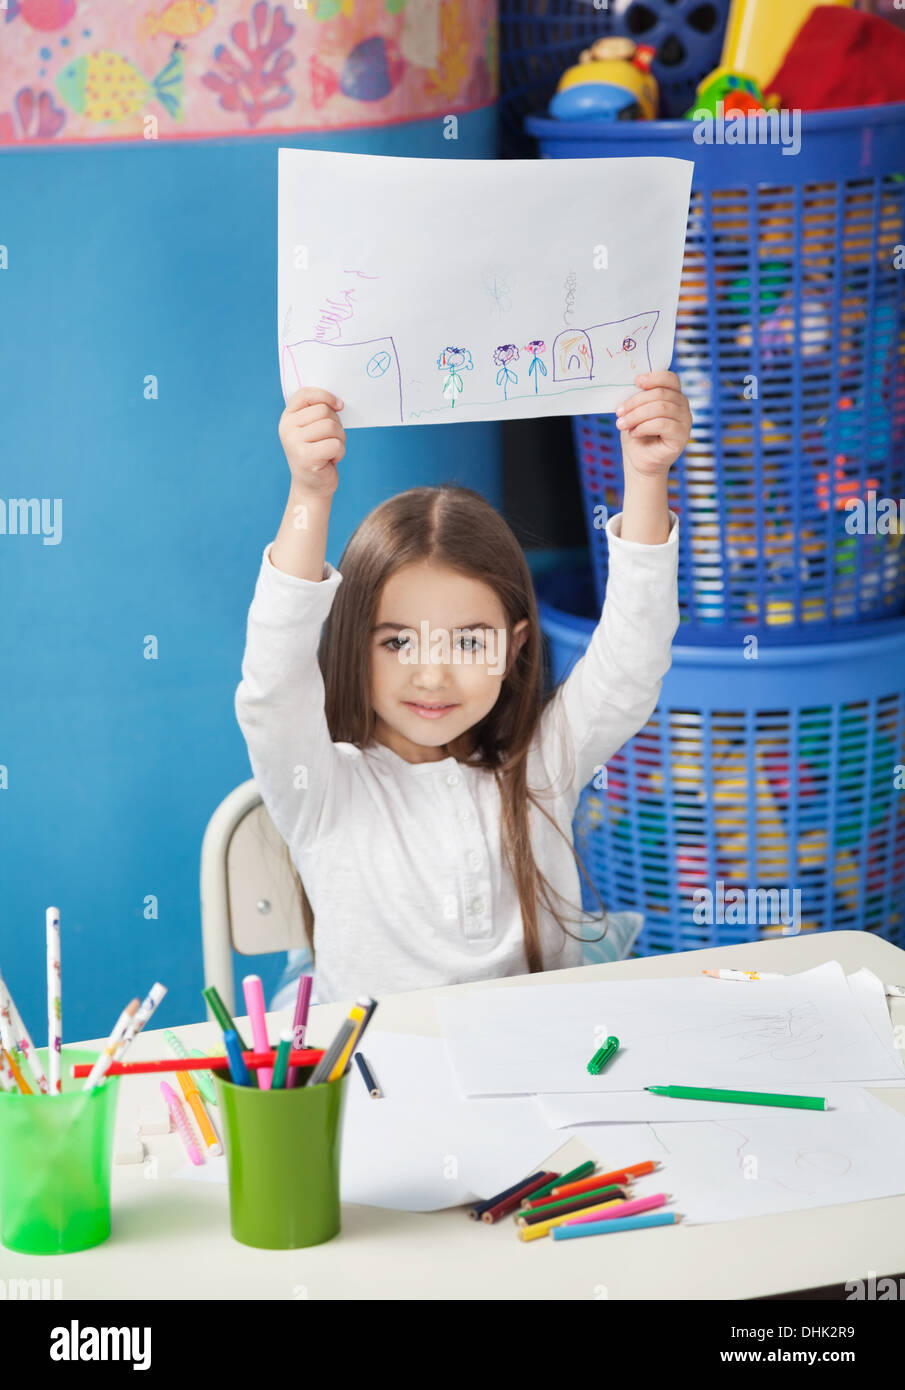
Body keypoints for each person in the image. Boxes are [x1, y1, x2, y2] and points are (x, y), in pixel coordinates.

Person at [236, 372, 691, 1004]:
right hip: (383, 1087)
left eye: (470, 642)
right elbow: (273, 682)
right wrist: (309, 491)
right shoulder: (323, 789)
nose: (432, 674)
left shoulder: (540, 768)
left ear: (516, 647)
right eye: (397, 642)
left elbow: (632, 661)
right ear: (351, 646)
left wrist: (645, 478)